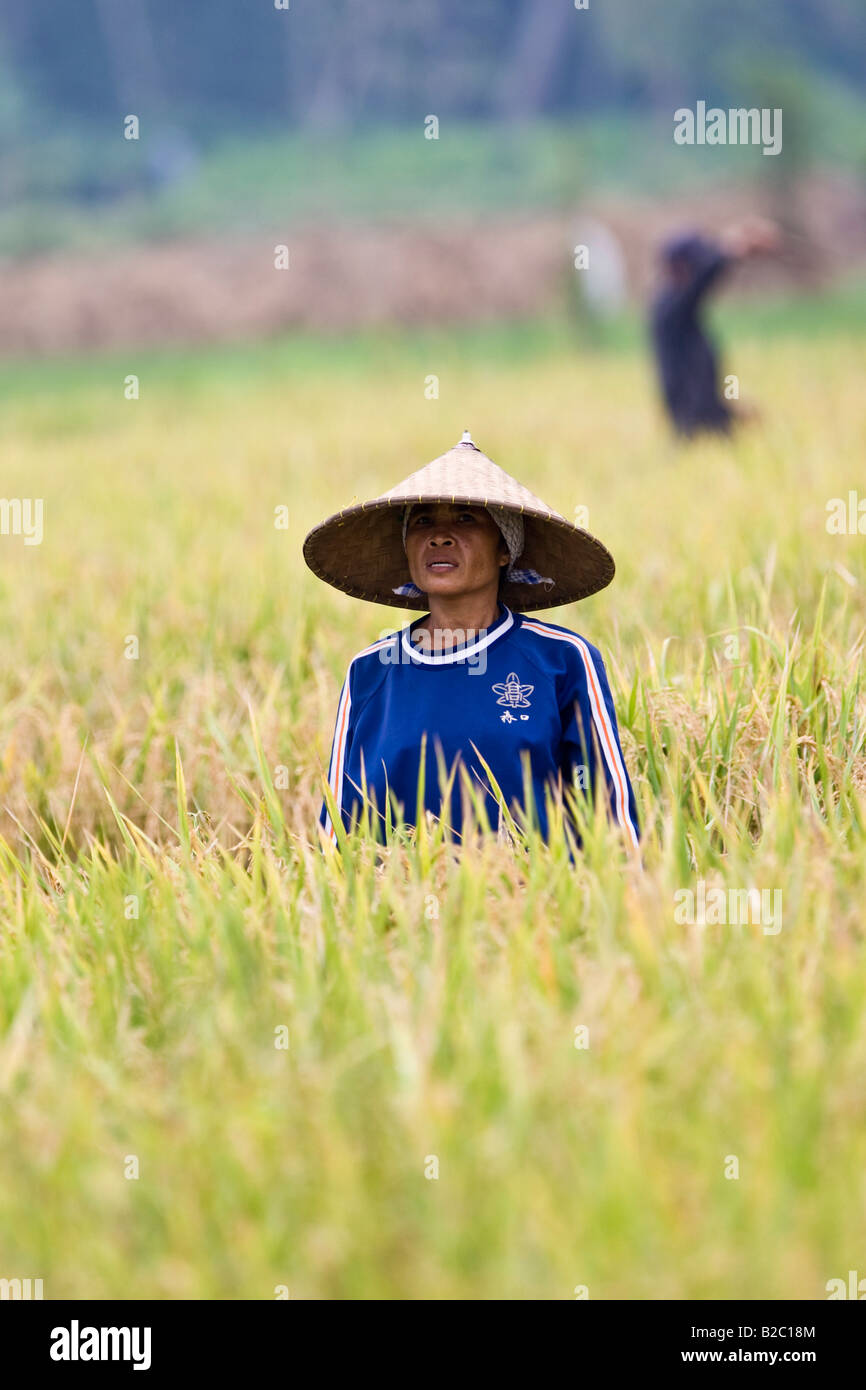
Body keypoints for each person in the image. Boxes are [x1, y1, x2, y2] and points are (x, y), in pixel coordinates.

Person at [303, 431, 640, 855]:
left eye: (465, 520)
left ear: (505, 550)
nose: (439, 537)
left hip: (530, 907)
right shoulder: (371, 671)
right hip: (399, 909)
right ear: (407, 546)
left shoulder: (561, 661)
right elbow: (337, 832)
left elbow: (609, 813)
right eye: (423, 522)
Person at [649, 217, 780, 437]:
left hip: (703, 408)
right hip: (692, 414)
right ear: (681, 267)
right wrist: (730, 252)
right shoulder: (672, 307)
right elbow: (702, 280)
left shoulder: (678, 305)